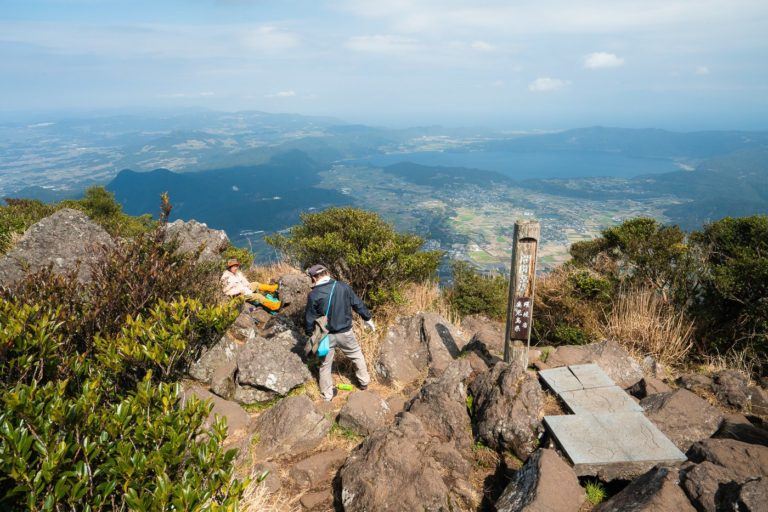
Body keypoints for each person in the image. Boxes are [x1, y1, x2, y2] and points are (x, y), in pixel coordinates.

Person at [304, 264, 375, 401]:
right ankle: (364, 382)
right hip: (346, 332)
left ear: (313, 278)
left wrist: (309, 333)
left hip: (325, 336)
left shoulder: (314, 295)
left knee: (325, 365)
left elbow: (309, 318)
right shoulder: (343, 287)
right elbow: (357, 304)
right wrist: (368, 319)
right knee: (356, 355)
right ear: (327, 272)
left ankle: (327, 394)